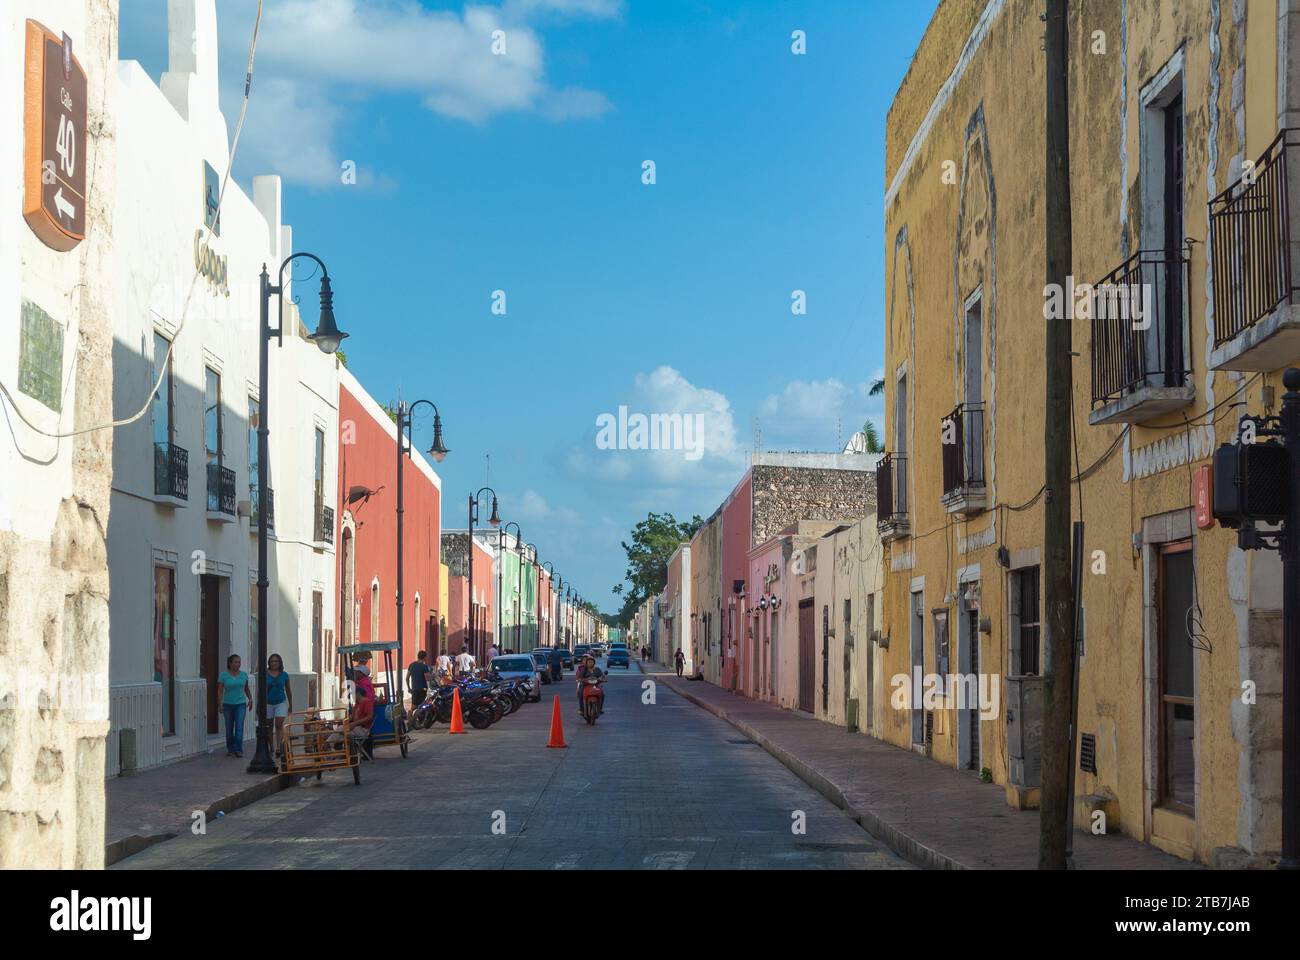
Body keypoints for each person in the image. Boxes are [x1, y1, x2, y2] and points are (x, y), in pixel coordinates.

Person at [217, 654, 252, 758]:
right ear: (230, 663)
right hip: (228, 705)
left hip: (240, 704)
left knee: (239, 727)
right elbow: (220, 691)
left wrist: (250, 698)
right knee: (229, 728)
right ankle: (230, 749)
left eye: (239, 662)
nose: (238, 664)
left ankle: (238, 749)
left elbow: (246, 688)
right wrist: (220, 704)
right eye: (236, 662)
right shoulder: (223, 675)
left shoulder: (244, 675)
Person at [265, 653, 293, 757]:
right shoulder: (265, 674)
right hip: (268, 703)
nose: (274, 663)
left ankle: (278, 747)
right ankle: (271, 746)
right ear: (269, 663)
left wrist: (290, 705)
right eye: (272, 661)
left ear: (280, 662)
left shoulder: (284, 675)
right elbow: (261, 691)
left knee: (279, 724)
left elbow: (288, 690)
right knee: (269, 726)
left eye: (276, 661)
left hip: (281, 702)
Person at [407, 650, 431, 716]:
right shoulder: (424, 666)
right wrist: (429, 688)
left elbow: (407, 678)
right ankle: (420, 718)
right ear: (424, 657)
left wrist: (409, 688)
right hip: (422, 689)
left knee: (414, 705)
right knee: (423, 704)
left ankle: (411, 713)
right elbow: (427, 679)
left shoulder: (411, 665)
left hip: (414, 688)